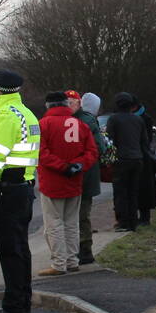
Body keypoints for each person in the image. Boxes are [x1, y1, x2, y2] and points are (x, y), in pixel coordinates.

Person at [0, 69, 40, 313]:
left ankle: (13, 309)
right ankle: (20, 303)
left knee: (9, 250)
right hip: (24, 185)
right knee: (20, 249)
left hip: (8, 188)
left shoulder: (3, 115)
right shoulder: (26, 113)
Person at [36, 90, 99, 277]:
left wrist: (62, 166)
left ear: (48, 106)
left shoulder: (43, 124)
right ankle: (73, 260)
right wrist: (78, 165)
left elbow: (41, 152)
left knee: (53, 223)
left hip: (52, 181)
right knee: (72, 222)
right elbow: (92, 152)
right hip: (75, 179)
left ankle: (58, 263)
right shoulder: (80, 124)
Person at [72, 91, 106, 265]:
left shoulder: (67, 121)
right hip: (88, 173)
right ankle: (85, 250)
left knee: (68, 215)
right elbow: (100, 147)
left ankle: (72, 250)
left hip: (68, 173)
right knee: (83, 213)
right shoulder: (90, 121)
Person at [106, 92, 146, 232]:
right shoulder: (138, 120)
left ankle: (123, 222)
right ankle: (133, 221)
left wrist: (109, 160)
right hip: (137, 159)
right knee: (133, 192)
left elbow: (110, 141)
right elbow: (143, 141)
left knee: (120, 192)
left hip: (121, 160)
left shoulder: (113, 119)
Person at [133, 98, 156, 224]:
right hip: (139, 156)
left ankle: (145, 218)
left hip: (144, 157)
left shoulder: (145, 119)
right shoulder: (140, 117)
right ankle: (140, 216)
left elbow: (147, 139)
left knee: (144, 190)